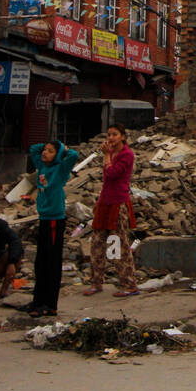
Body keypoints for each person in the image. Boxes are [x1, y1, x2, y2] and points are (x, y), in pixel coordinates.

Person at [26, 139, 80, 316]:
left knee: (52, 262)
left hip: (55, 220)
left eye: (50, 151)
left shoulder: (60, 169)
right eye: (45, 150)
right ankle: (38, 301)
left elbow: (74, 155)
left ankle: (50, 304)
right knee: (40, 262)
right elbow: (33, 148)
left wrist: (62, 148)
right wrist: (46, 146)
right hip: (43, 218)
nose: (44, 153)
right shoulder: (41, 166)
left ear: (56, 155)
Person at [85, 124, 138, 298]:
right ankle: (96, 282)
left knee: (118, 245)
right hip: (104, 203)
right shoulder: (111, 153)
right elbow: (102, 171)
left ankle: (128, 283)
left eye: (115, 134)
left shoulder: (126, 155)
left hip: (117, 204)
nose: (111, 138)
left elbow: (113, 174)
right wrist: (105, 154)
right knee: (97, 244)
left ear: (123, 136)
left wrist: (107, 155)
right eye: (109, 135)